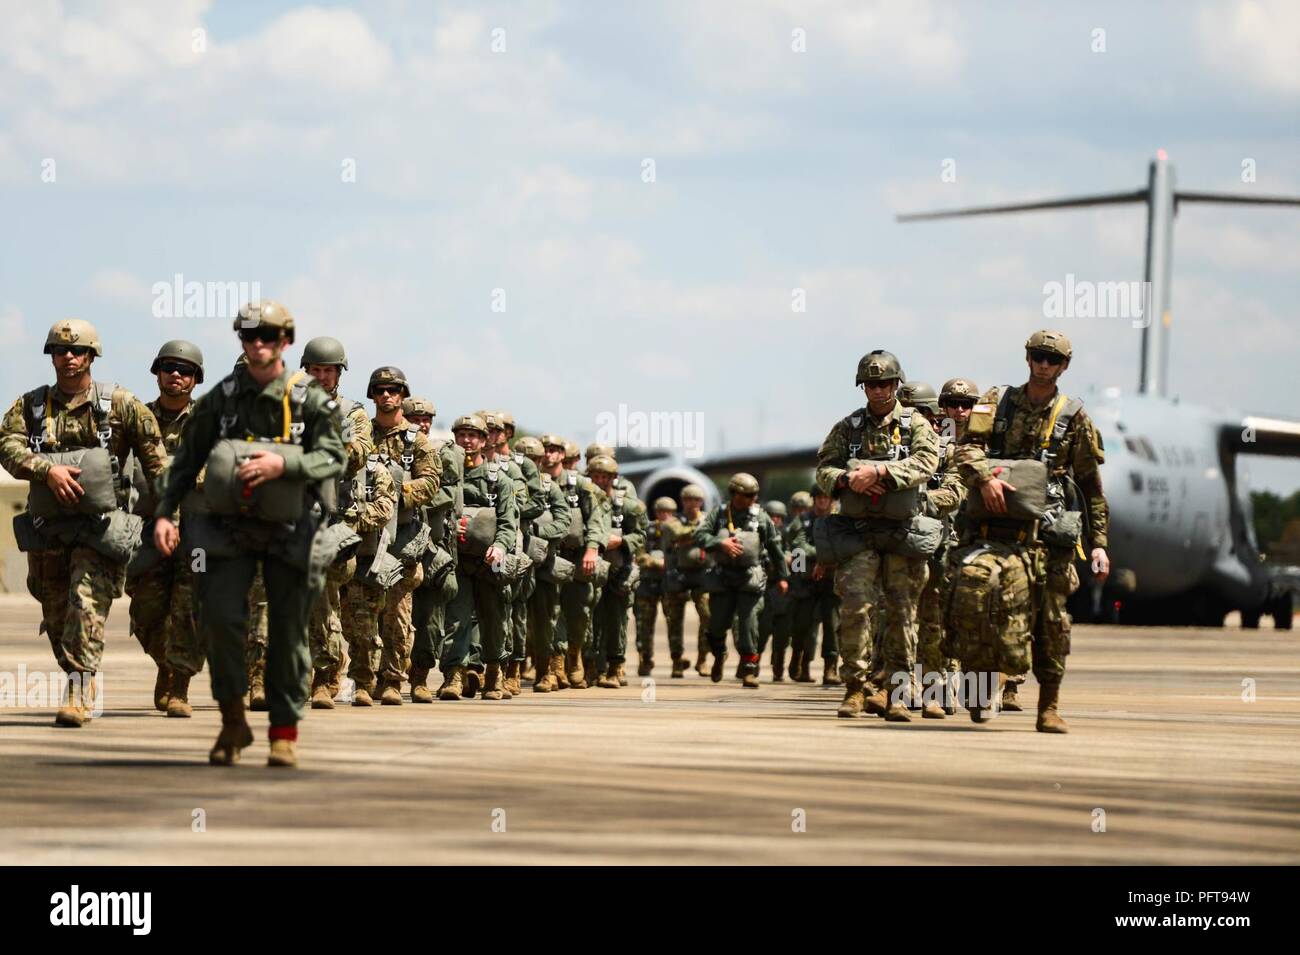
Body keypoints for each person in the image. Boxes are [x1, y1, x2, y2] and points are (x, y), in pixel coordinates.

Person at [152, 300, 345, 766]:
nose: (258, 345)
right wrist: (164, 512)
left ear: (285, 342)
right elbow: (188, 459)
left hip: (290, 526)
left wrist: (286, 462)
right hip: (228, 528)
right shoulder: (221, 398)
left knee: (287, 632)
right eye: (249, 337)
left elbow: (333, 457)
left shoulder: (311, 400)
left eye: (269, 337)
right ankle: (233, 721)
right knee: (219, 624)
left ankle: (283, 732)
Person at [1, 319, 167, 726]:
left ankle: (79, 686)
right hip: (49, 530)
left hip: (100, 530)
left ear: (92, 356)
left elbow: (158, 464)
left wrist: (168, 517)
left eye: (77, 351)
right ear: (52, 357)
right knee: (56, 615)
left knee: (84, 602)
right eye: (60, 351)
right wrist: (45, 471)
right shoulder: (31, 406)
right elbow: (6, 444)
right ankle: (78, 674)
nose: (69, 358)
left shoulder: (122, 404)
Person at [950, 331, 1109, 732]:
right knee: (973, 603)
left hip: (1046, 535)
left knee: (1051, 622)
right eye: (1038, 356)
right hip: (992, 528)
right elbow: (965, 448)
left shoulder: (1074, 419)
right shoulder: (995, 402)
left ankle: (1048, 706)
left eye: (1052, 359)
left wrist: (1099, 545)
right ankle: (980, 686)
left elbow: (1091, 489)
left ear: (1064, 367)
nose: (1044, 364)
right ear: (1027, 359)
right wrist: (984, 477)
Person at [815, 350, 938, 722]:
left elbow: (926, 463)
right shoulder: (848, 428)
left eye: (885, 383)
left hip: (901, 533)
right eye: (871, 384)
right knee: (856, 609)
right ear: (862, 386)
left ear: (897, 384)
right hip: (859, 534)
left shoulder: (917, 423)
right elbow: (823, 468)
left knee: (902, 615)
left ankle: (898, 693)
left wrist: (880, 474)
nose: (878, 390)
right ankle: (855, 688)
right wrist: (847, 479)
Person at [125, 340, 208, 717]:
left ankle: (180, 685)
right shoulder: (137, 418)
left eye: (185, 370)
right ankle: (165, 663)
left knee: (190, 608)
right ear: (157, 371)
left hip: (198, 532)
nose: (177, 374)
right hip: (146, 528)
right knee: (145, 610)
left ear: (196, 379)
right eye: (169, 367)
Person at [299, 337, 380, 709]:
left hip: (334, 521)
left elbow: (358, 454)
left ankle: (326, 675)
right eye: (314, 370)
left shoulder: (353, 413)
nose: (321, 376)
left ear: (338, 373)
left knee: (323, 600)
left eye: (327, 370)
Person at [438, 414, 518, 701]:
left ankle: (495, 675)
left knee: (494, 618)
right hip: (457, 560)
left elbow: (510, 523)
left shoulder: (501, 482)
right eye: (461, 435)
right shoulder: (446, 476)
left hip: (489, 561)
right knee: (456, 619)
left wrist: (499, 546)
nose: (467, 440)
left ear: (485, 441)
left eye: (473, 435)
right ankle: (454, 677)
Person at [694, 473, 788, 688]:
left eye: (754, 495)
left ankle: (749, 670)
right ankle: (719, 654)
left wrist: (783, 577)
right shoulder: (718, 514)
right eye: (747, 495)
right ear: (734, 494)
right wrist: (720, 543)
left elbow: (776, 549)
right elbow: (700, 536)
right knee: (716, 625)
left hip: (750, 578)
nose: (752, 499)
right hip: (722, 578)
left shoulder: (761, 518)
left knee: (749, 625)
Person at [587, 455, 647, 688]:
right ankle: (591, 666)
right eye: (596, 476)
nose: (600, 481)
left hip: (619, 570)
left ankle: (615, 666)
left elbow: (641, 535)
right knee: (590, 621)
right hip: (591, 571)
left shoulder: (629, 506)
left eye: (605, 477)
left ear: (614, 478)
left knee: (616, 621)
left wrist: (621, 541)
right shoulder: (584, 501)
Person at [663, 483, 713, 677]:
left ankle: (703, 659)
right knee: (674, 619)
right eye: (688, 500)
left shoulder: (709, 521)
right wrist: (701, 535)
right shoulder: (675, 521)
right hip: (679, 574)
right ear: (682, 501)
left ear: (701, 502)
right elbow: (674, 534)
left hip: (703, 575)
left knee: (708, 616)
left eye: (697, 500)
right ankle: (677, 660)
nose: (692, 504)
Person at [634, 496, 681, 676]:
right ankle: (645, 659)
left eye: (668, 512)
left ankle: (677, 661)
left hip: (670, 583)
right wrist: (654, 563)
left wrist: (669, 564)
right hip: (647, 582)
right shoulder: (648, 530)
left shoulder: (679, 531)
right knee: (644, 625)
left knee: (674, 623)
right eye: (661, 512)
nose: (664, 515)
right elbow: (639, 553)